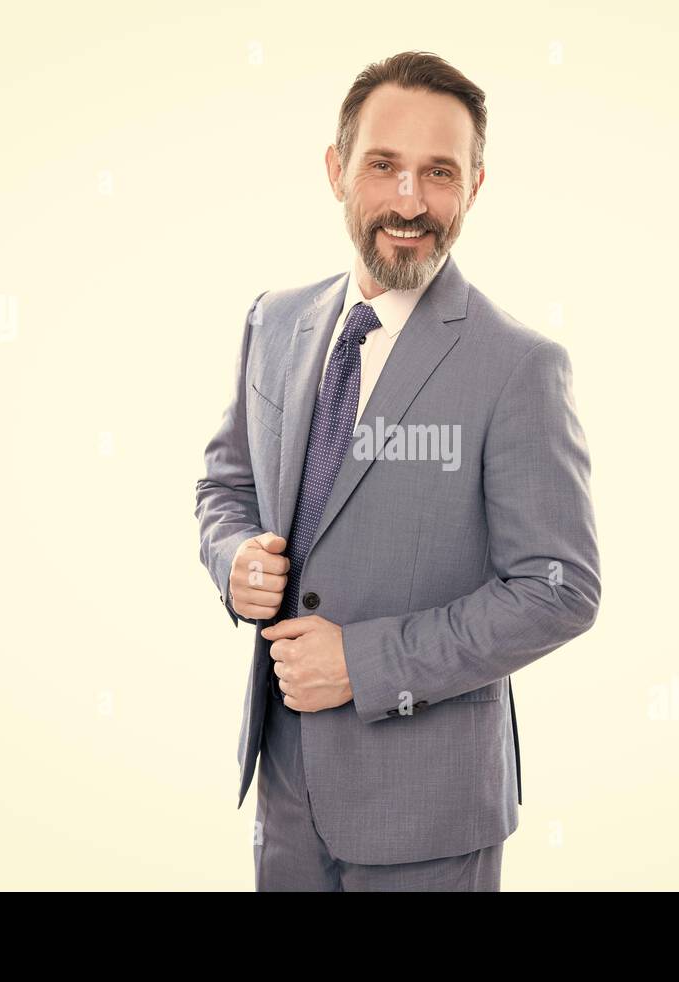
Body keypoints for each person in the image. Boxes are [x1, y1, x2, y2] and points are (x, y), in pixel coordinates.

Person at [195, 50, 600, 891]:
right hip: (285, 792)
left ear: (475, 187)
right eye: (384, 166)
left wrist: (367, 664)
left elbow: (559, 588)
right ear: (338, 170)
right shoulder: (274, 322)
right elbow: (225, 485)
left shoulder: (518, 366)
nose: (410, 201)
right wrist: (232, 560)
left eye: (439, 173)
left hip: (431, 820)